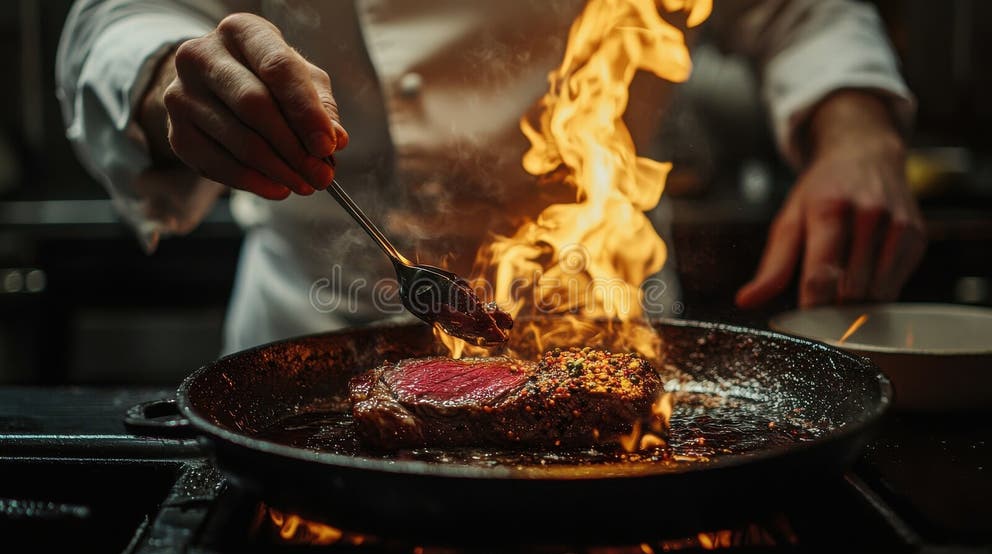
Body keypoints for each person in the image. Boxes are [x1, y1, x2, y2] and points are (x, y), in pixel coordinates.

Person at [56, 0, 925, 354]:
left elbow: (804, 11)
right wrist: (172, 82)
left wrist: (858, 132)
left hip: (616, 315)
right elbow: (117, 19)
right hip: (312, 329)